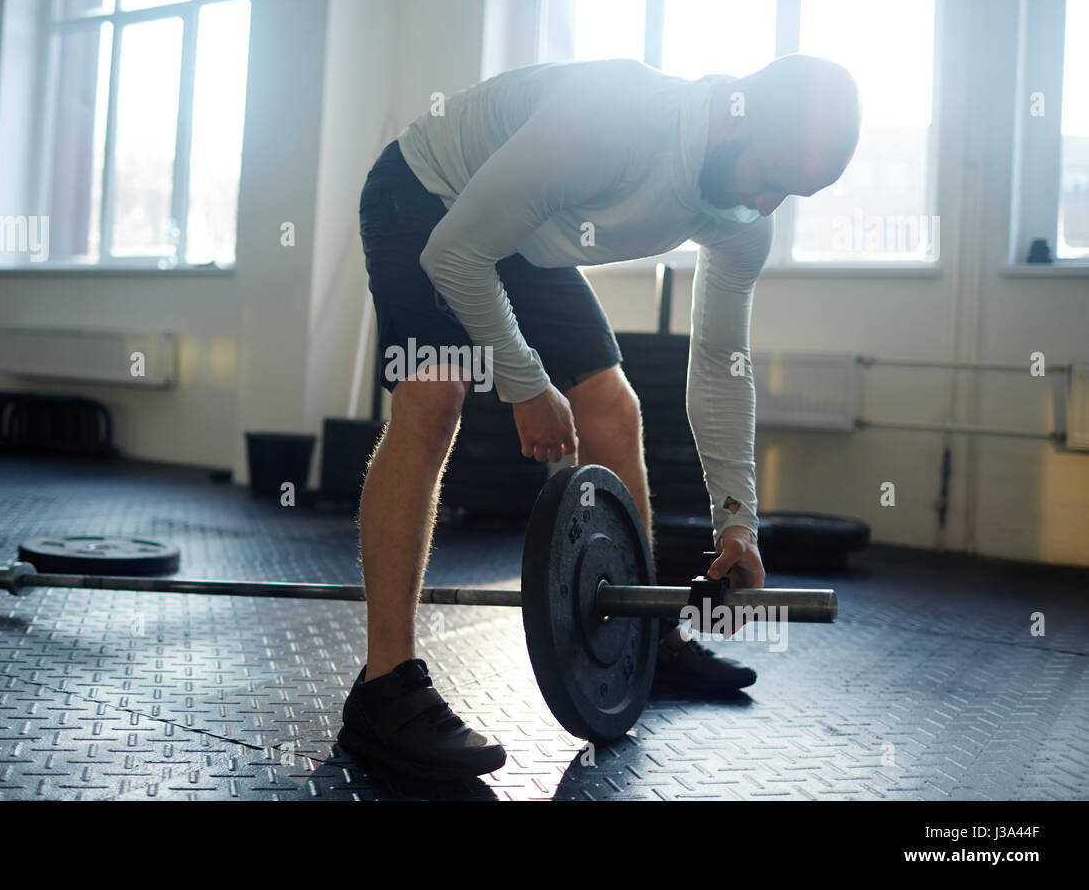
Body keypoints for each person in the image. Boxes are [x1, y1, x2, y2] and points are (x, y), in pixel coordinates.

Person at [338, 55, 861, 780]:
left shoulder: (744, 216)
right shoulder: (616, 122)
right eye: (769, 178)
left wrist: (739, 522)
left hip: (525, 228)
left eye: (789, 193)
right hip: (429, 194)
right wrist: (524, 383)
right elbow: (454, 254)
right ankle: (384, 687)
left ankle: (645, 631)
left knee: (614, 408)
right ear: (737, 113)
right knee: (436, 395)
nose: (768, 206)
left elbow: (719, 365)